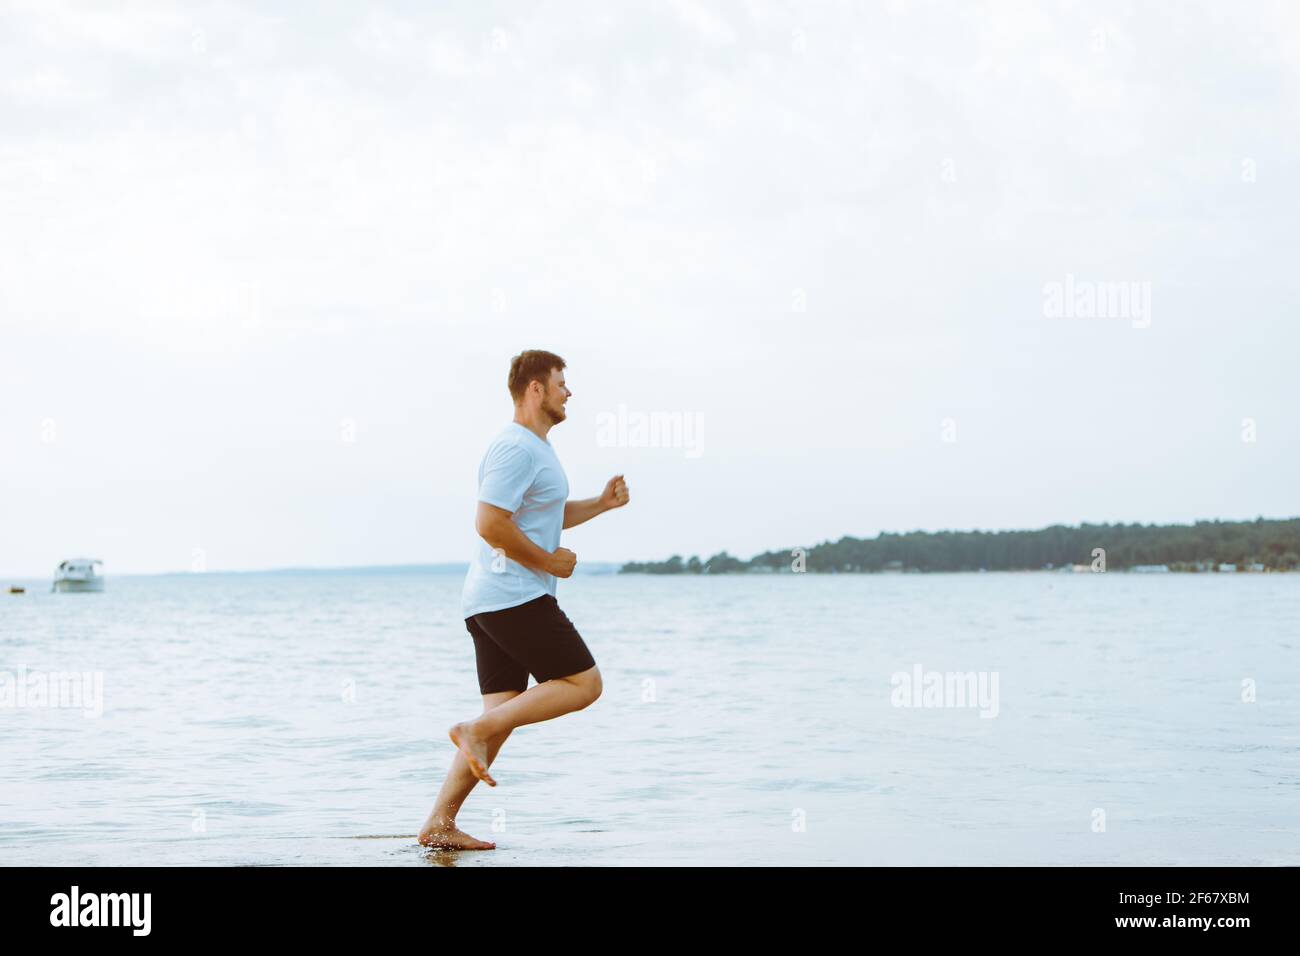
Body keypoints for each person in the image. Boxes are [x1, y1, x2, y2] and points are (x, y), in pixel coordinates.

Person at [418, 349, 630, 850]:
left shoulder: (535, 449)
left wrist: (600, 505)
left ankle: (438, 824)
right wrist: (547, 562)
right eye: (561, 383)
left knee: (503, 716)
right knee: (584, 683)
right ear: (536, 389)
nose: (568, 392)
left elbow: (541, 516)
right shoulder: (517, 448)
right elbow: (489, 523)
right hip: (511, 594)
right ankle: (473, 729)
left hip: (491, 600)